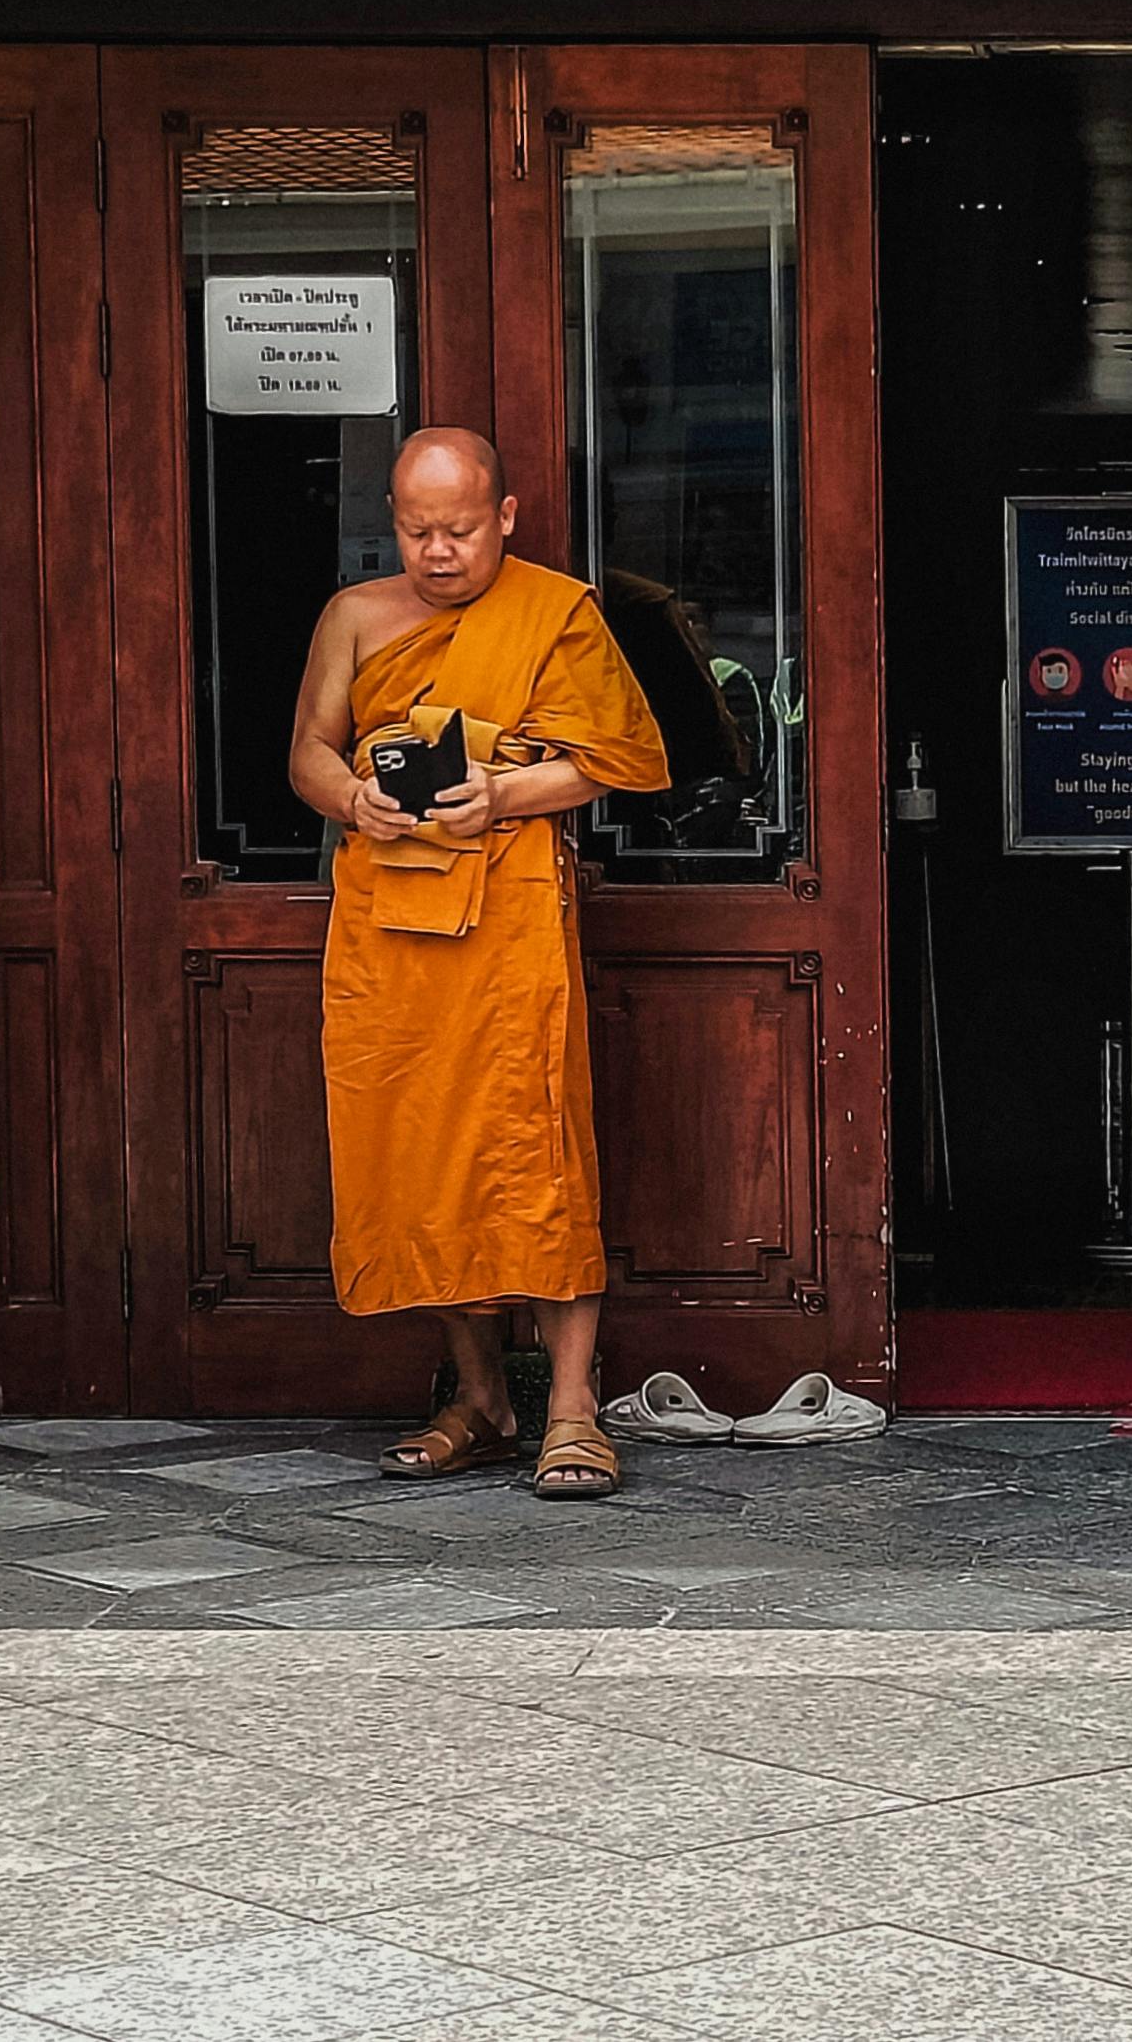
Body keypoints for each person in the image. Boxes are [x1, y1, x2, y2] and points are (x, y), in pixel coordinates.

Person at [288, 427, 670, 1500]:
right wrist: (349, 796)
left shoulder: (557, 612)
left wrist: (503, 793)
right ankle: (482, 1398)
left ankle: (572, 1407)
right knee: (422, 1157)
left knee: (537, 1151)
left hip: (509, 920)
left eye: (459, 528)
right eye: (417, 530)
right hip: (390, 926)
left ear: (504, 516)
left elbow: (618, 761)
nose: (439, 551)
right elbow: (308, 750)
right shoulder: (355, 618)